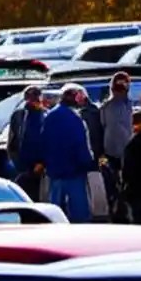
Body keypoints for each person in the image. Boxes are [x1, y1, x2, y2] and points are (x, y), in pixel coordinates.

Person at [42, 84, 95, 222]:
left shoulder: (50, 116)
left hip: (54, 171)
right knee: (79, 212)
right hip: (74, 172)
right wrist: (88, 163)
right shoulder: (75, 119)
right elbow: (80, 145)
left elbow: (43, 142)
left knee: (54, 213)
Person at [8, 86, 47, 200]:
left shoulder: (46, 115)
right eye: (30, 97)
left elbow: (48, 141)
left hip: (41, 166)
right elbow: (12, 141)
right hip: (22, 165)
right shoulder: (18, 116)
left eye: (36, 97)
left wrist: (42, 162)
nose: (33, 101)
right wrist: (17, 162)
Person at [100, 72, 134, 171]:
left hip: (112, 153)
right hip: (117, 154)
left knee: (108, 178)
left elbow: (102, 125)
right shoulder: (129, 106)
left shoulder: (105, 107)